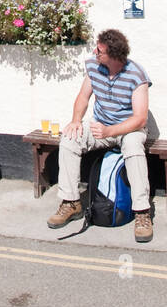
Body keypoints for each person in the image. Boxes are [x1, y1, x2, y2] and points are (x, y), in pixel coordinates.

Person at [47, 28, 154, 242]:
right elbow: (83, 97)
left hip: (128, 128)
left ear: (113, 55)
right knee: (69, 139)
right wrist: (76, 120)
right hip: (101, 126)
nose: (95, 52)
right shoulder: (94, 67)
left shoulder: (137, 75)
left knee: (133, 148)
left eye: (99, 50)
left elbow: (140, 118)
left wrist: (111, 131)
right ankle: (71, 202)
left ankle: (142, 212)